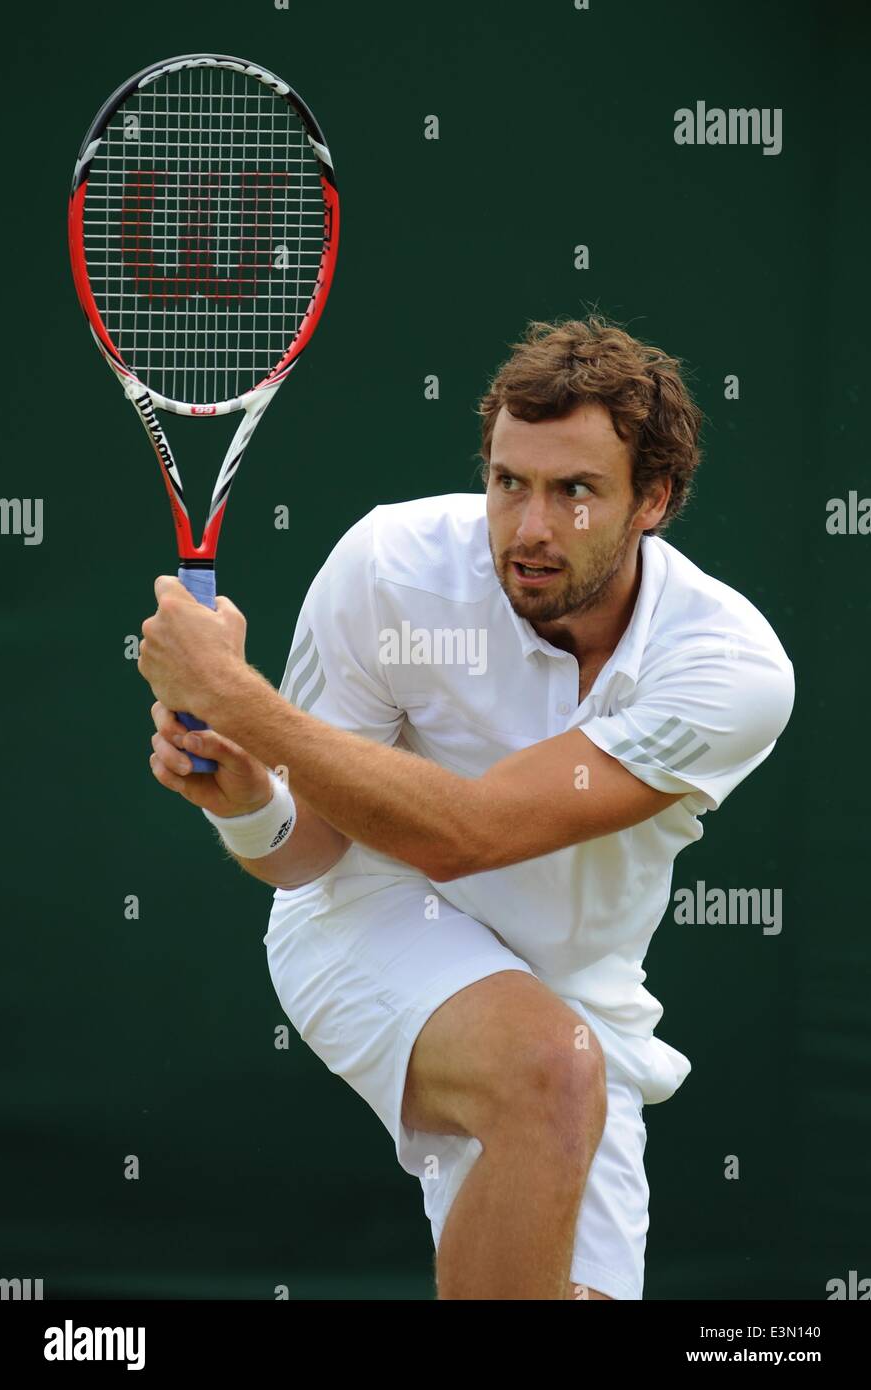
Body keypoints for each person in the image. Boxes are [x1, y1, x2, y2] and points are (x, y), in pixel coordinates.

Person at [138, 316, 795, 1300]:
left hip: (581, 993)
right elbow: (307, 854)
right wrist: (248, 807)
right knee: (552, 1071)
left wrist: (240, 702)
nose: (529, 527)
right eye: (507, 482)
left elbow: (471, 833)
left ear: (652, 498)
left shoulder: (728, 667)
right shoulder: (390, 567)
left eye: (574, 491)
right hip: (369, 918)